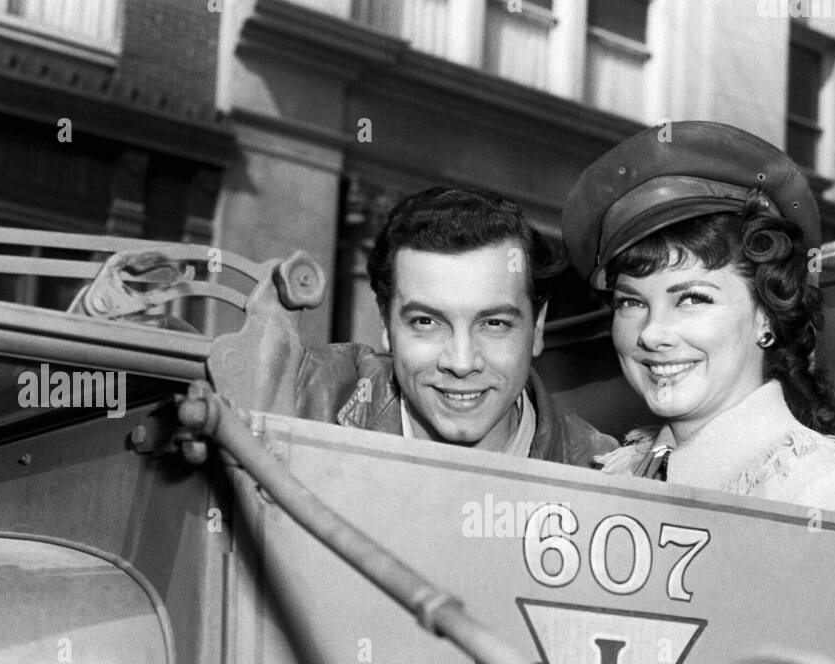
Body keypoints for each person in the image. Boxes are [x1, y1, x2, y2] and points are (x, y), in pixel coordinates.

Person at [561, 121, 835, 519]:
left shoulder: (824, 495)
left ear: (767, 314)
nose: (651, 333)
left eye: (692, 298)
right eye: (631, 302)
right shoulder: (620, 478)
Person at [181, 186, 615, 467]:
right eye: (426, 322)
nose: (461, 362)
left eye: (494, 323)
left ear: (537, 328)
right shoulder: (298, 399)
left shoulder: (603, 474)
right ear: (386, 325)